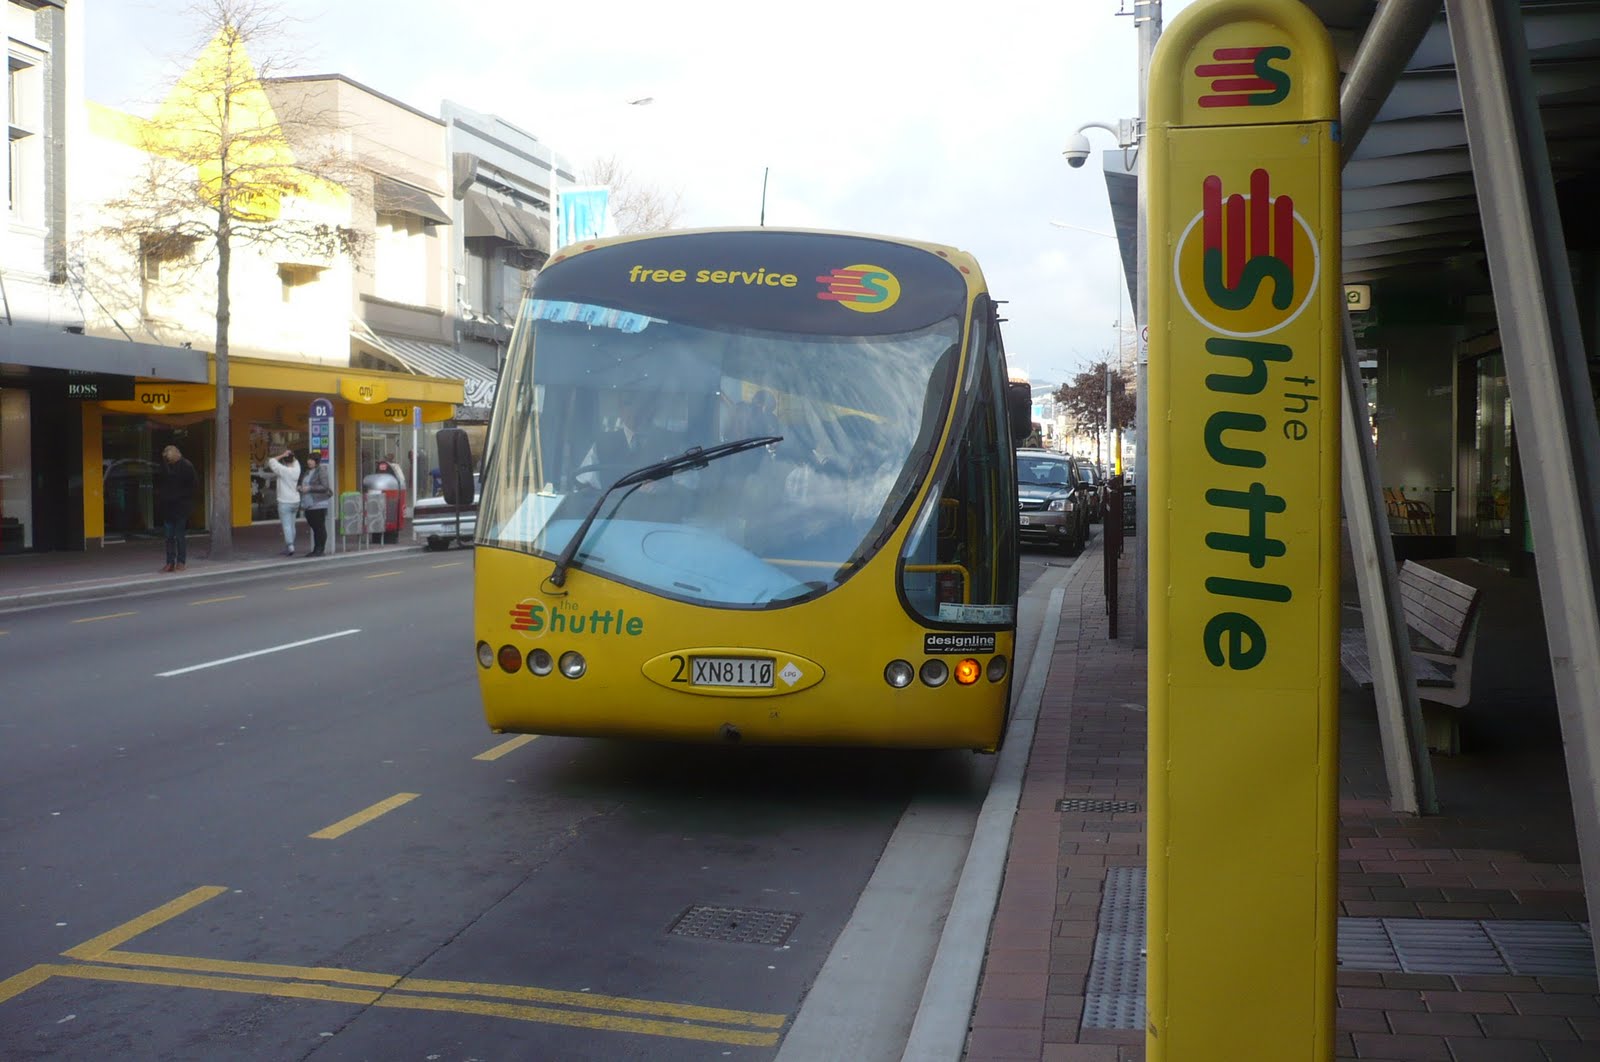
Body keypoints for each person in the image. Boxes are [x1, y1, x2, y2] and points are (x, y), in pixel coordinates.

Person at [154, 444, 198, 572]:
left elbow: (194, 485)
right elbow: (160, 483)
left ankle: (181, 562)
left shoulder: (186, 466)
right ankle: (170, 562)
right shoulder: (165, 466)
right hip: (168, 507)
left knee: (179, 536)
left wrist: (182, 497)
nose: (168, 461)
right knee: (168, 537)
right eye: (167, 459)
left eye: (169, 459)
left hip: (181, 507)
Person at [265, 448, 302, 556]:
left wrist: (282, 455)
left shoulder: (283, 470)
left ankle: (290, 546)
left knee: (286, 525)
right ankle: (290, 545)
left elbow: (271, 461)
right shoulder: (297, 468)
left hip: (284, 501)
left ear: (284, 461)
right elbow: (295, 460)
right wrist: (290, 454)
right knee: (292, 525)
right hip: (295, 500)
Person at [298, 452, 333, 557]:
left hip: (318, 503)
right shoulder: (307, 472)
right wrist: (300, 487)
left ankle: (320, 549)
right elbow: (304, 483)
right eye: (308, 459)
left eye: (312, 460)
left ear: (317, 461)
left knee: (319, 527)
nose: (309, 461)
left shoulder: (321, 471)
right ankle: (316, 549)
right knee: (314, 526)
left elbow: (325, 487)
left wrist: (309, 488)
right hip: (308, 502)